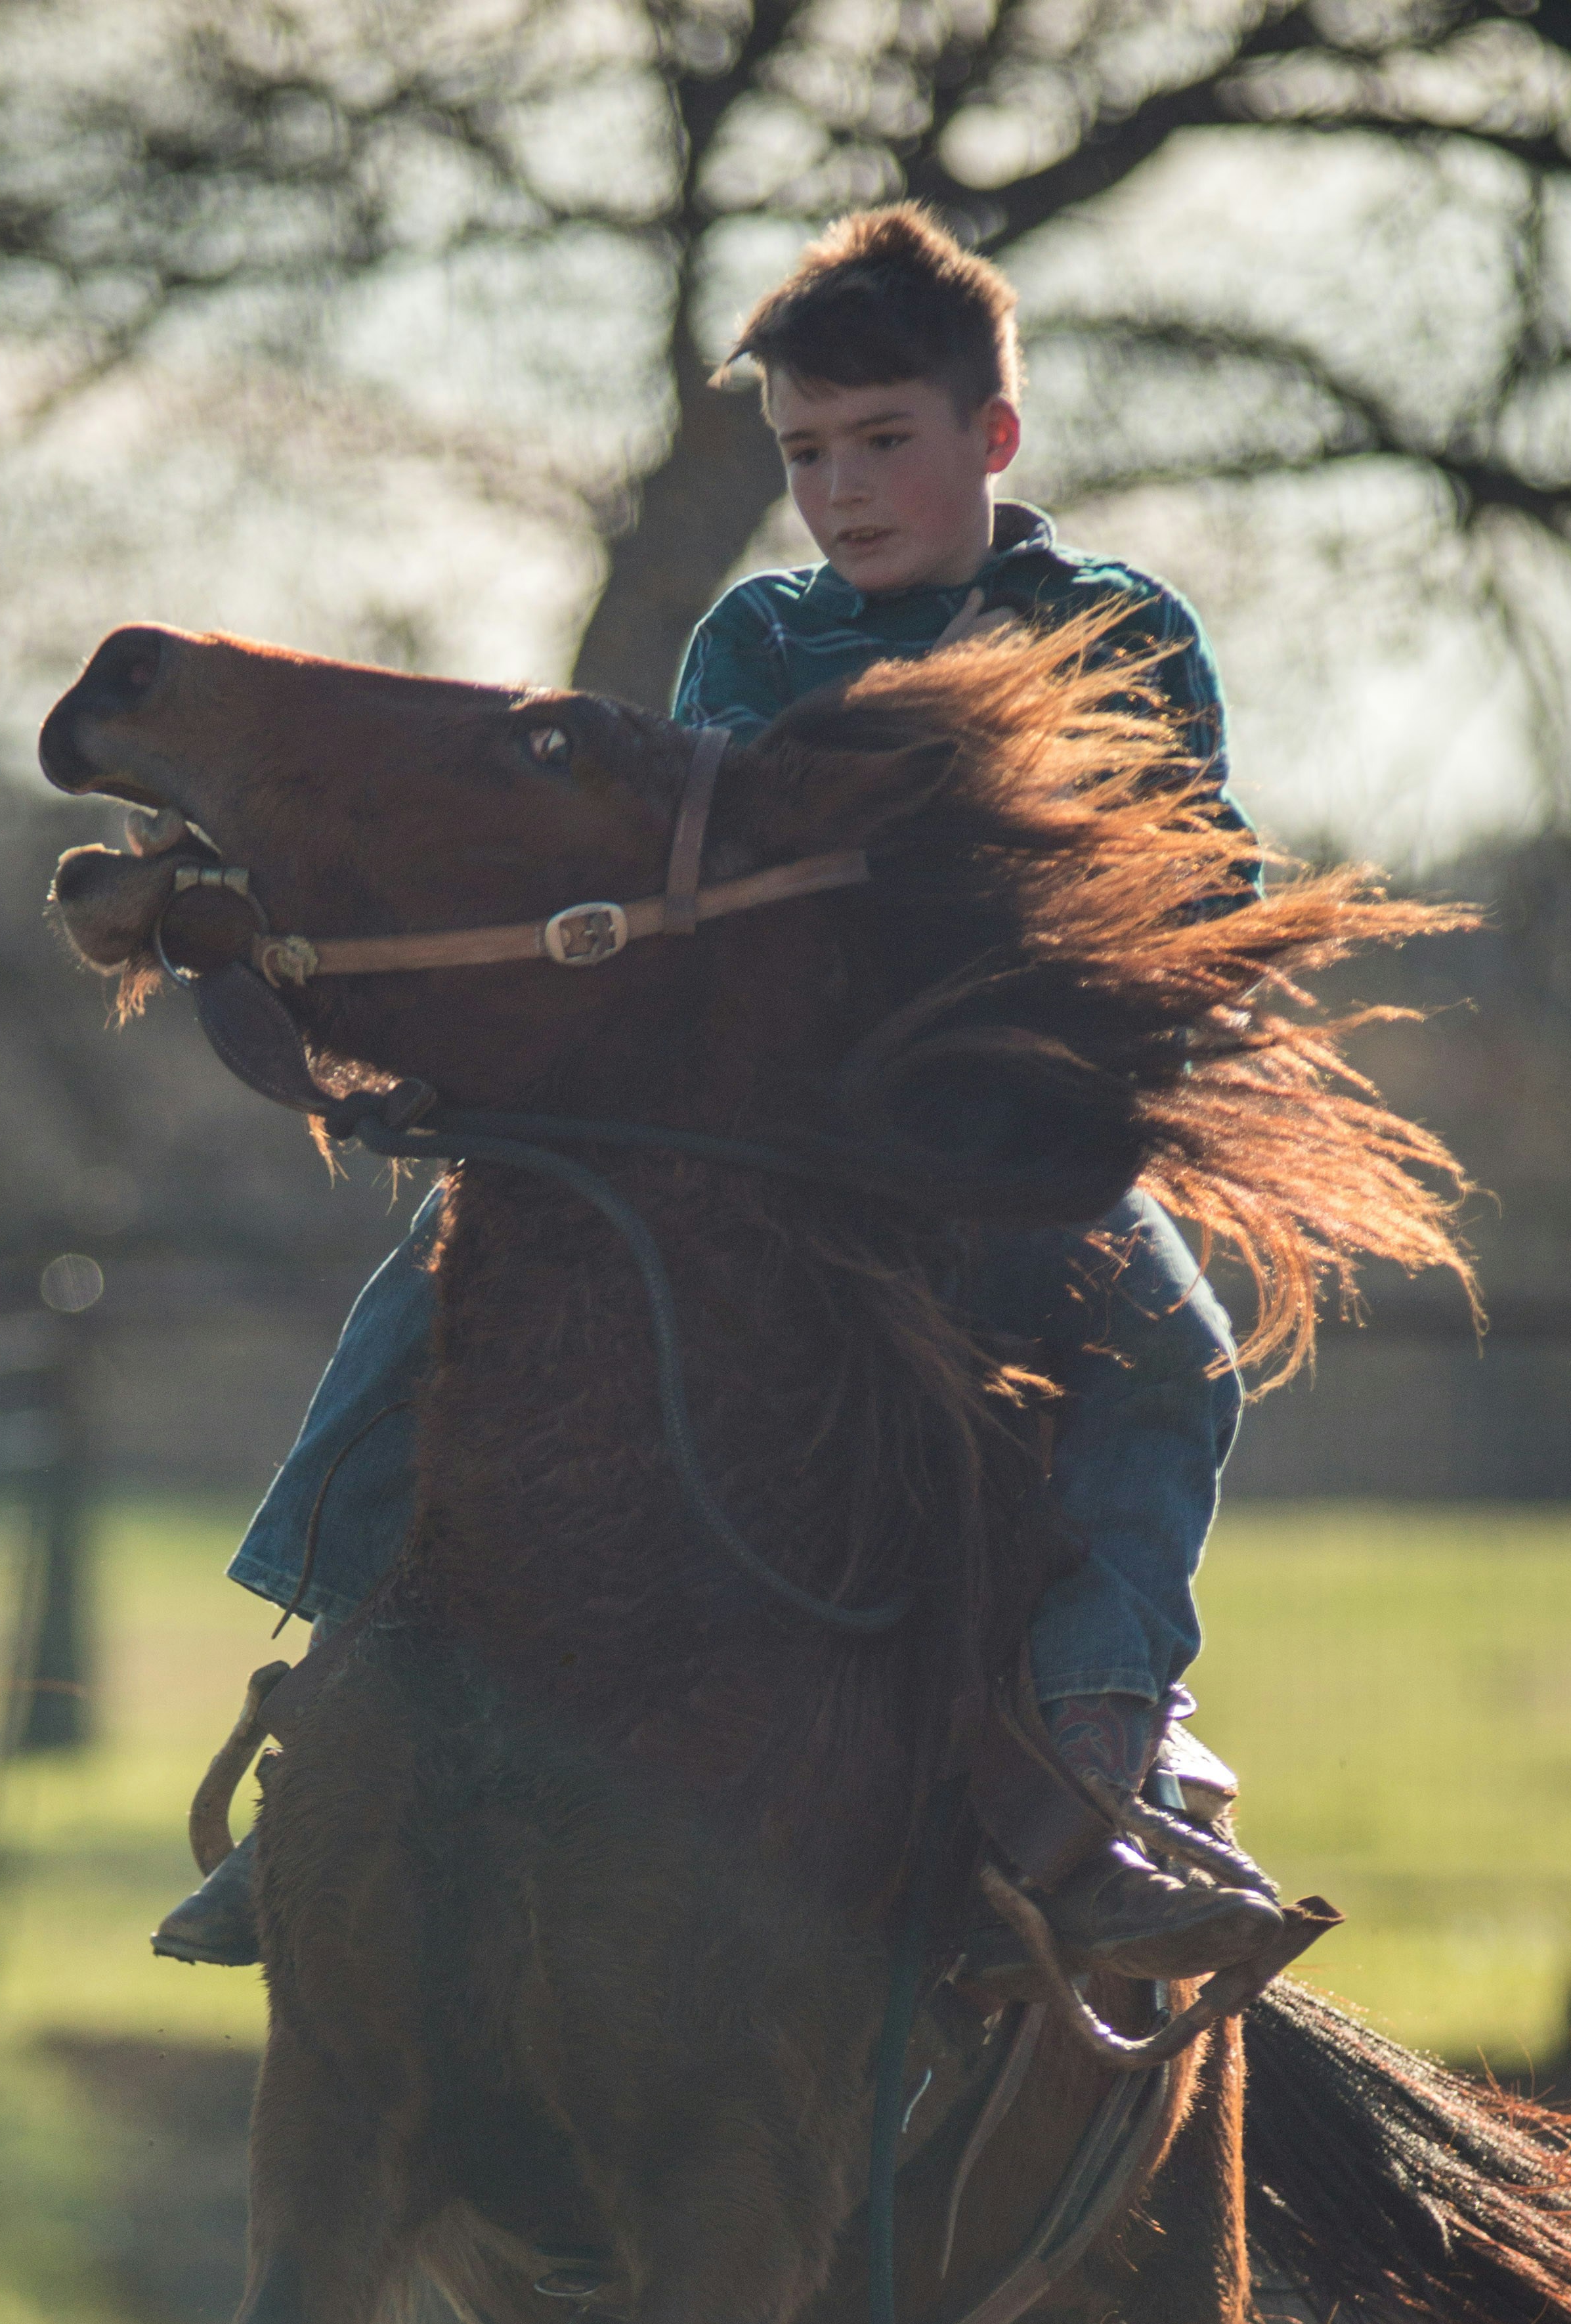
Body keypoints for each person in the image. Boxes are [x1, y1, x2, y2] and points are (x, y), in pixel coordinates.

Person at [159, 202, 1280, 1980]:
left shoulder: (1114, 632)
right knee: (443, 1288)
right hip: (757, 1134)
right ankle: (353, 1698)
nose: (840, 489)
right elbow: (687, 907)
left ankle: (1093, 1744)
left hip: (998, 1149)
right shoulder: (758, 646)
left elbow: (1189, 892)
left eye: (881, 444)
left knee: (1175, 1355)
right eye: (805, 454)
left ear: (993, 436)